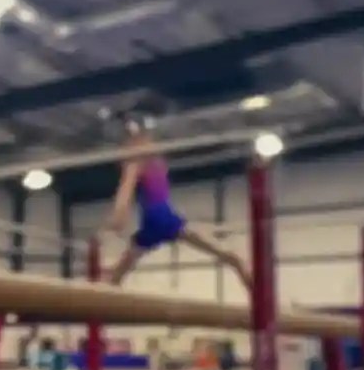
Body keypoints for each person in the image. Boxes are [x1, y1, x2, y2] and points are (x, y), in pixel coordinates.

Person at [99, 114, 252, 294]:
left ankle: (100, 300)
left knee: (114, 280)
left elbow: (124, 194)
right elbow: (127, 191)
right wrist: (117, 220)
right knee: (231, 256)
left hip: (158, 220)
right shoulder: (147, 159)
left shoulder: (138, 160)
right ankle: (255, 290)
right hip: (163, 219)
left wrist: (115, 222)